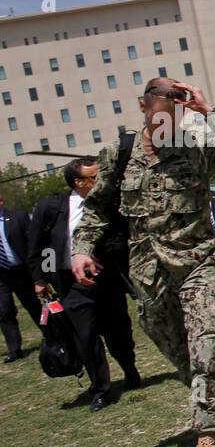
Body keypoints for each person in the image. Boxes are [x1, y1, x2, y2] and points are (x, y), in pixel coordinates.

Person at [73, 79, 215, 447]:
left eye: (179, 102)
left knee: (207, 338)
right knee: (175, 347)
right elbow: (97, 207)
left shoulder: (196, 148)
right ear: (144, 105)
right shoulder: (118, 154)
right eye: (164, 101)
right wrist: (81, 248)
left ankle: (208, 439)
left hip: (196, 262)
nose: (173, 109)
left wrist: (209, 110)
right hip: (148, 272)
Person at [28, 157, 140, 409]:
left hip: (107, 279)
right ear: (79, 182)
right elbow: (41, 246)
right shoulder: (52, 208)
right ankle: (101, 389)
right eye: (95, 177)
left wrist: (101, 256)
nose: (102, 181)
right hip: (72, 285)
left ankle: (129, 369)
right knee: (85, 336)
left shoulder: (110, 203)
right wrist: (41, 278)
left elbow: (124, 236)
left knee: (118, 331)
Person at [0, 191, 40, 363]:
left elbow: (33, 242)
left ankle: (52, 336)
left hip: (22, 270)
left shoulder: (18, 217)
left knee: (33, 305)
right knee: (4, 311)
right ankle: (14, 349)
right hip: (1, 275)